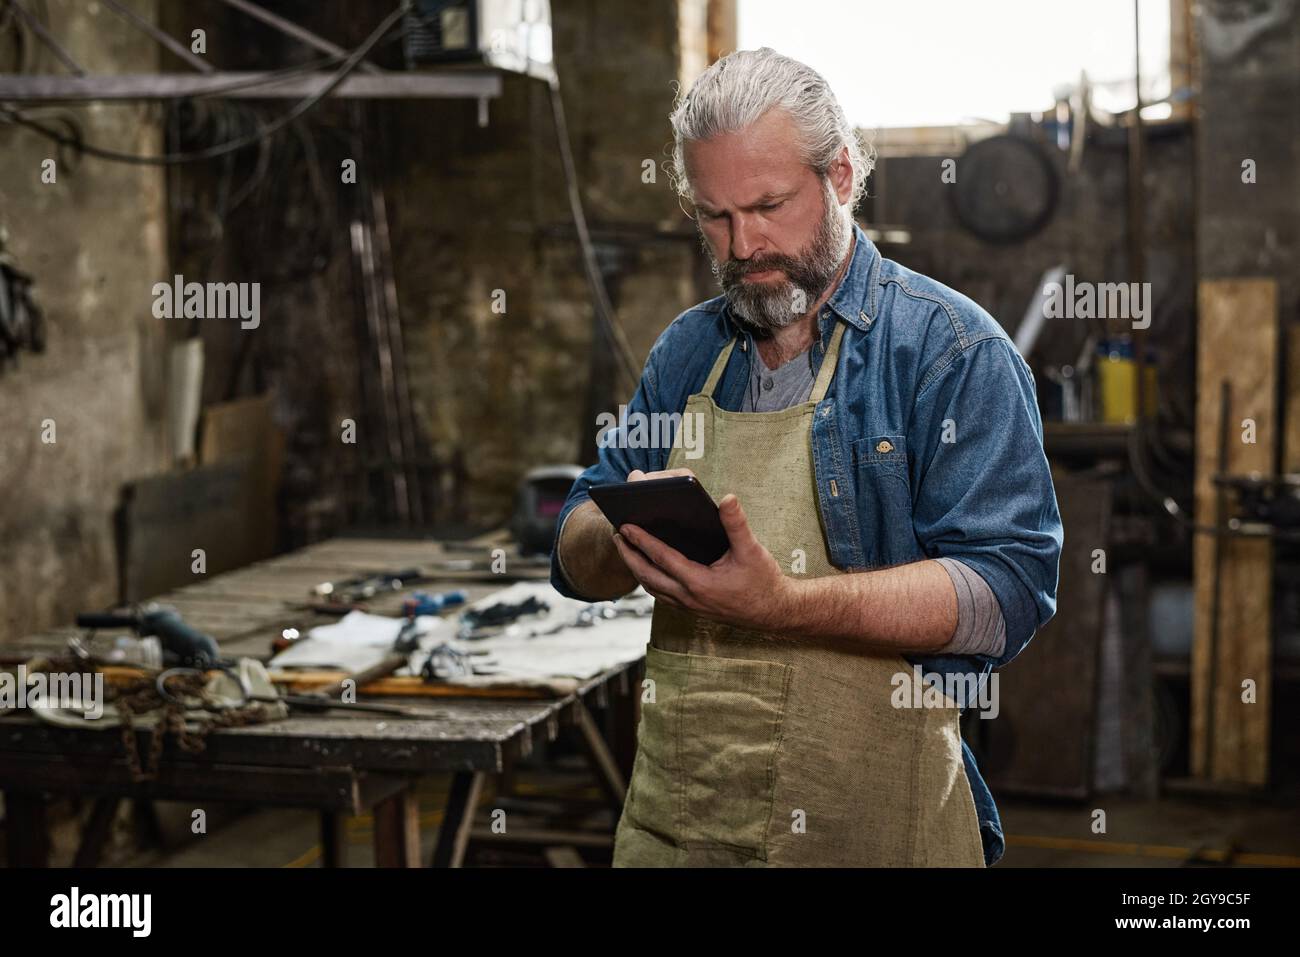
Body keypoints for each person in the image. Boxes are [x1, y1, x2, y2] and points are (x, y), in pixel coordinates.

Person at [551, 47, 1062, 867]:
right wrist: (621, 541)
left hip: (865, 827)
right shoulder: (688, 352)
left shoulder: (949, 352)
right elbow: (575, 545)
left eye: (769, 205)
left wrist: (782, 603)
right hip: (684, 824)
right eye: (714, 216)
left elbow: (1007, 591)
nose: (744, 243)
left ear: (842, 176)